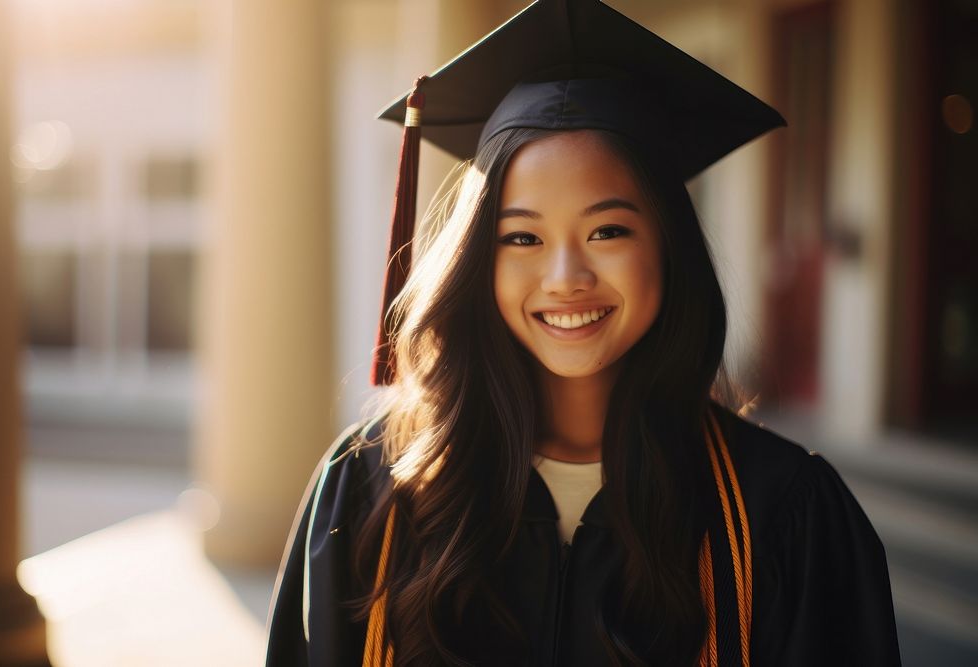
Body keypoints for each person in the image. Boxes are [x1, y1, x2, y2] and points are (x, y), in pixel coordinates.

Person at [266, 1, 902, 665]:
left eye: (608, 230)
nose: (566, 275)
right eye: (522, 237)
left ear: (668, 243)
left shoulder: (780, 513)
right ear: (478, 259)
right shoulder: (373, 488)